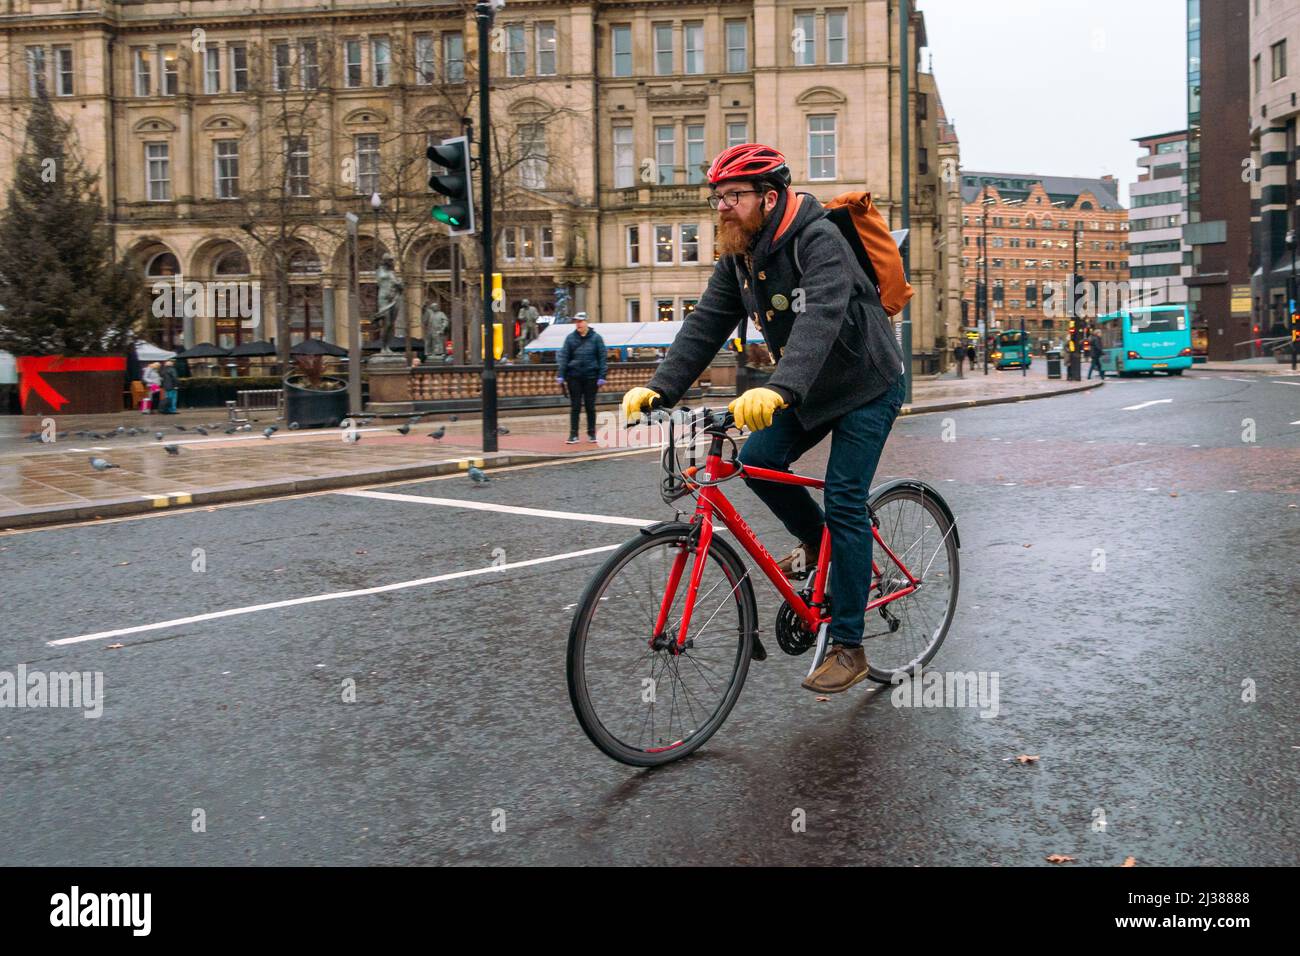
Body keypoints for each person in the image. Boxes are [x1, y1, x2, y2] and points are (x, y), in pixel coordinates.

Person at [620, 142, 906, 695]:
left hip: (866, 381)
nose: (723, 206)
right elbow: (706, 322)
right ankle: (820, 542)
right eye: (718, 197)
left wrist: (780, 387)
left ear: (769, 198)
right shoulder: (741, 255)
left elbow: (821, 317)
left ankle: (849, 645)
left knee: (846, 496)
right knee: (756, 459)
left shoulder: (819, 240)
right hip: (808, 387)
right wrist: (660, 387)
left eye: (733, 196)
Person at [557, 314, 607, 443]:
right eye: (576, 322)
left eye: (580, 321)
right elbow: (564, 357)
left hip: (591, 377)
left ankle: (592, 433)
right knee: (575, 406)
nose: (578, 324)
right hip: (574, 377)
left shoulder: (596, 338)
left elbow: (602, 358)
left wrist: (602, 376)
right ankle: (573, 435)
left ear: (586, 322)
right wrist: (561, 375)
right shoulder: (570, 339)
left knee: (590, 406)